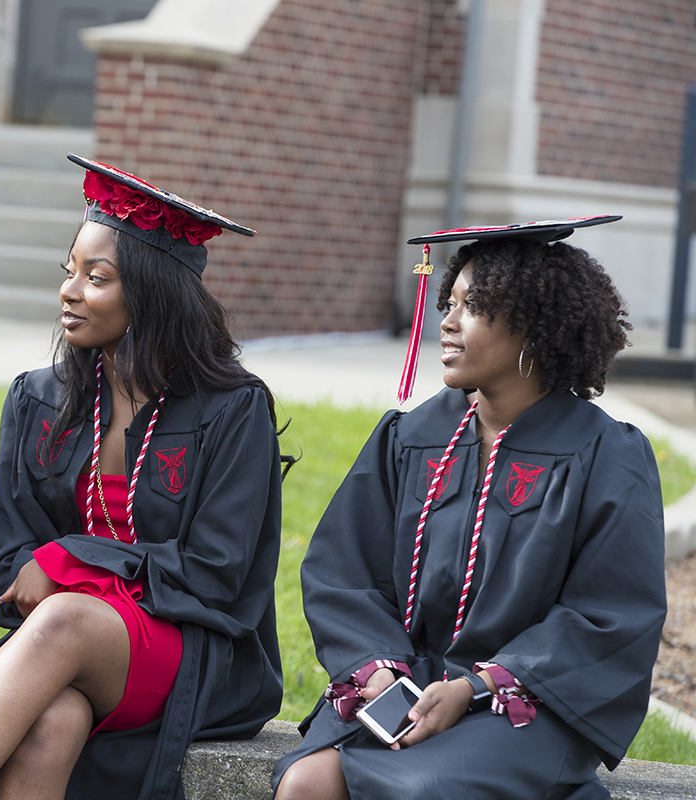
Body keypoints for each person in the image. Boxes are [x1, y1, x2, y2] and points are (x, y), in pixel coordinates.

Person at [0, 155, 287, 800]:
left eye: (95, 277)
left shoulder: (230, 409)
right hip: (65, 650)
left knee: (65, 618)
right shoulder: (39, 399)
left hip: (197, 650)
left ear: (152, 294)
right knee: (50, 719)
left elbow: (217, 571)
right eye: (68, 271)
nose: (69, 292)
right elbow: (10, 565)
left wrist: (69, 561)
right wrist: (61, 579)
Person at [272, 217, 667, 800]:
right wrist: (379, 669)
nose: (448, 322)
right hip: (406, 686)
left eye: (473, 307)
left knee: (419, 789)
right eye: (450, 303)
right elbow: (344, 572)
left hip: (525, 702)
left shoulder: (604, 455)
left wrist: (476, 687)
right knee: (304, 782)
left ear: (532, 325)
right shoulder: (411, 439)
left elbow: (609, 614)